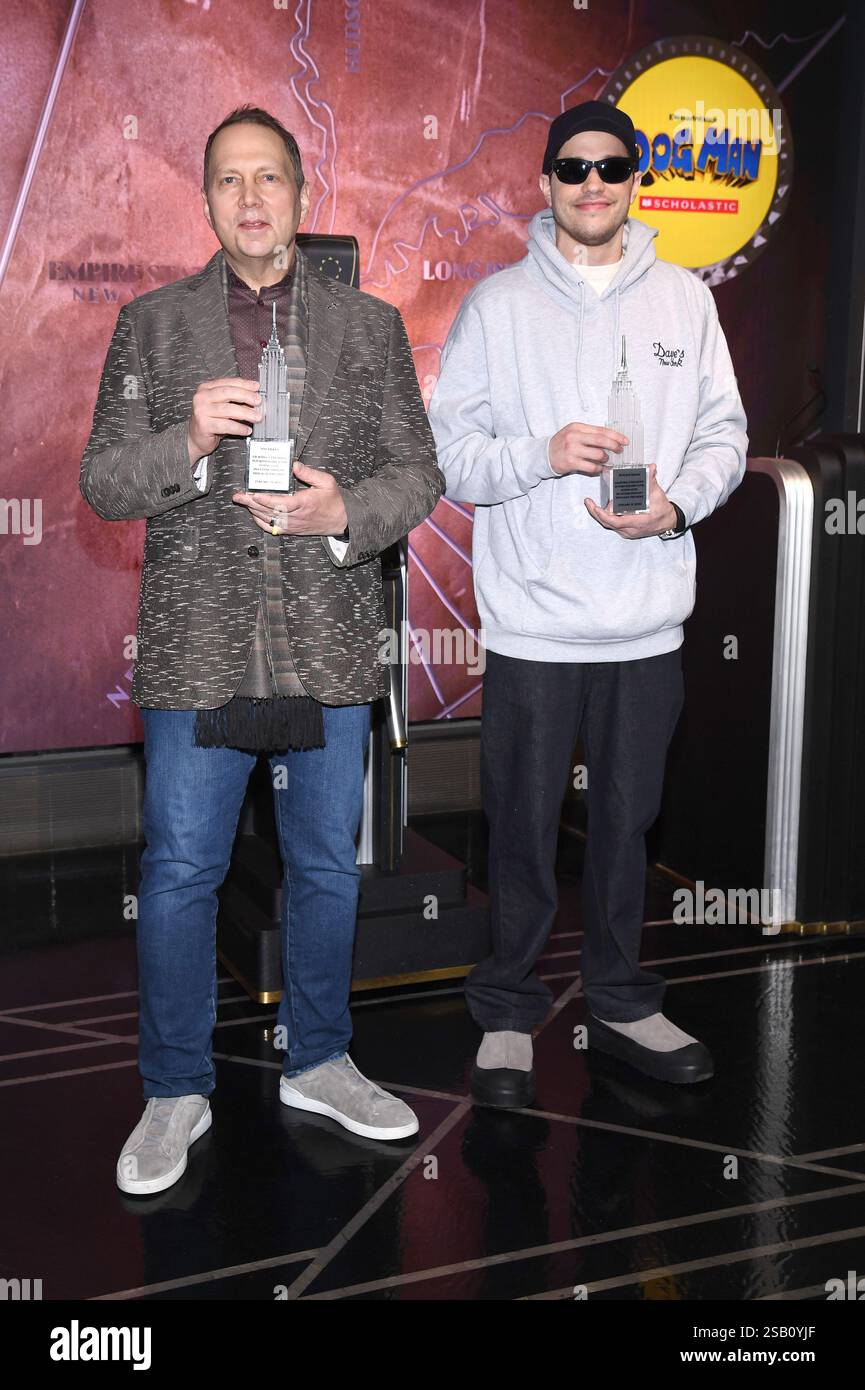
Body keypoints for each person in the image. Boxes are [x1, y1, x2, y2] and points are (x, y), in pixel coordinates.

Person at [80, 106, 444, 1193]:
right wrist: (188, 440)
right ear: (205, 200)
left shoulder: (369, 327)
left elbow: (417, 475)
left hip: (323, 639)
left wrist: (342, 511)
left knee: (327, 864)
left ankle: (321, 1060)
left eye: (270, 179)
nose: (251, 198)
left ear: (298, 192)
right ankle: (174, 1085)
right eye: (230, 180)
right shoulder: (150, 326)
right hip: (198, 648)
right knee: (182, 869)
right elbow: (103, 482)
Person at [428, 100, 748, 1106]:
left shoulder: (685, 303)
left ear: (635, 177)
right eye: (573, 167)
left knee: (626, 823)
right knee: (520, 827)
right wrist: (540, 454)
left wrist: (675, 505)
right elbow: (448, 455)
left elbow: (726, 438)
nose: (593, 183)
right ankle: (508, 1007)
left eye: (612, 166)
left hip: (644, 625)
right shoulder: (496, 307)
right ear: (545, 183)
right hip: (531, 626)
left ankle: (618, 997)